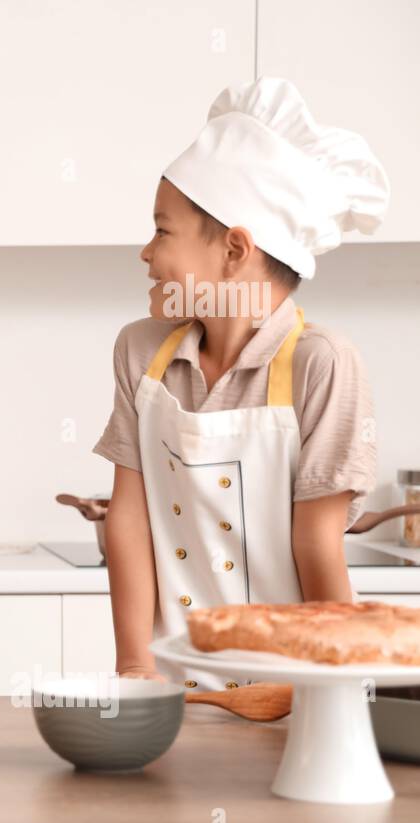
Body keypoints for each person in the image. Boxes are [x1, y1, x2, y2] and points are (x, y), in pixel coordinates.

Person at [94, 78, 389, 688]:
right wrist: (133, 666)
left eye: (163, 230)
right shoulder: (142, 352)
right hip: (170, 682)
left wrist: (338, 693)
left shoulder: (321, 364)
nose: (145, 253)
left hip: (288, 685)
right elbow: (129, 519)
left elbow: (316, 546)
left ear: (234, 248)